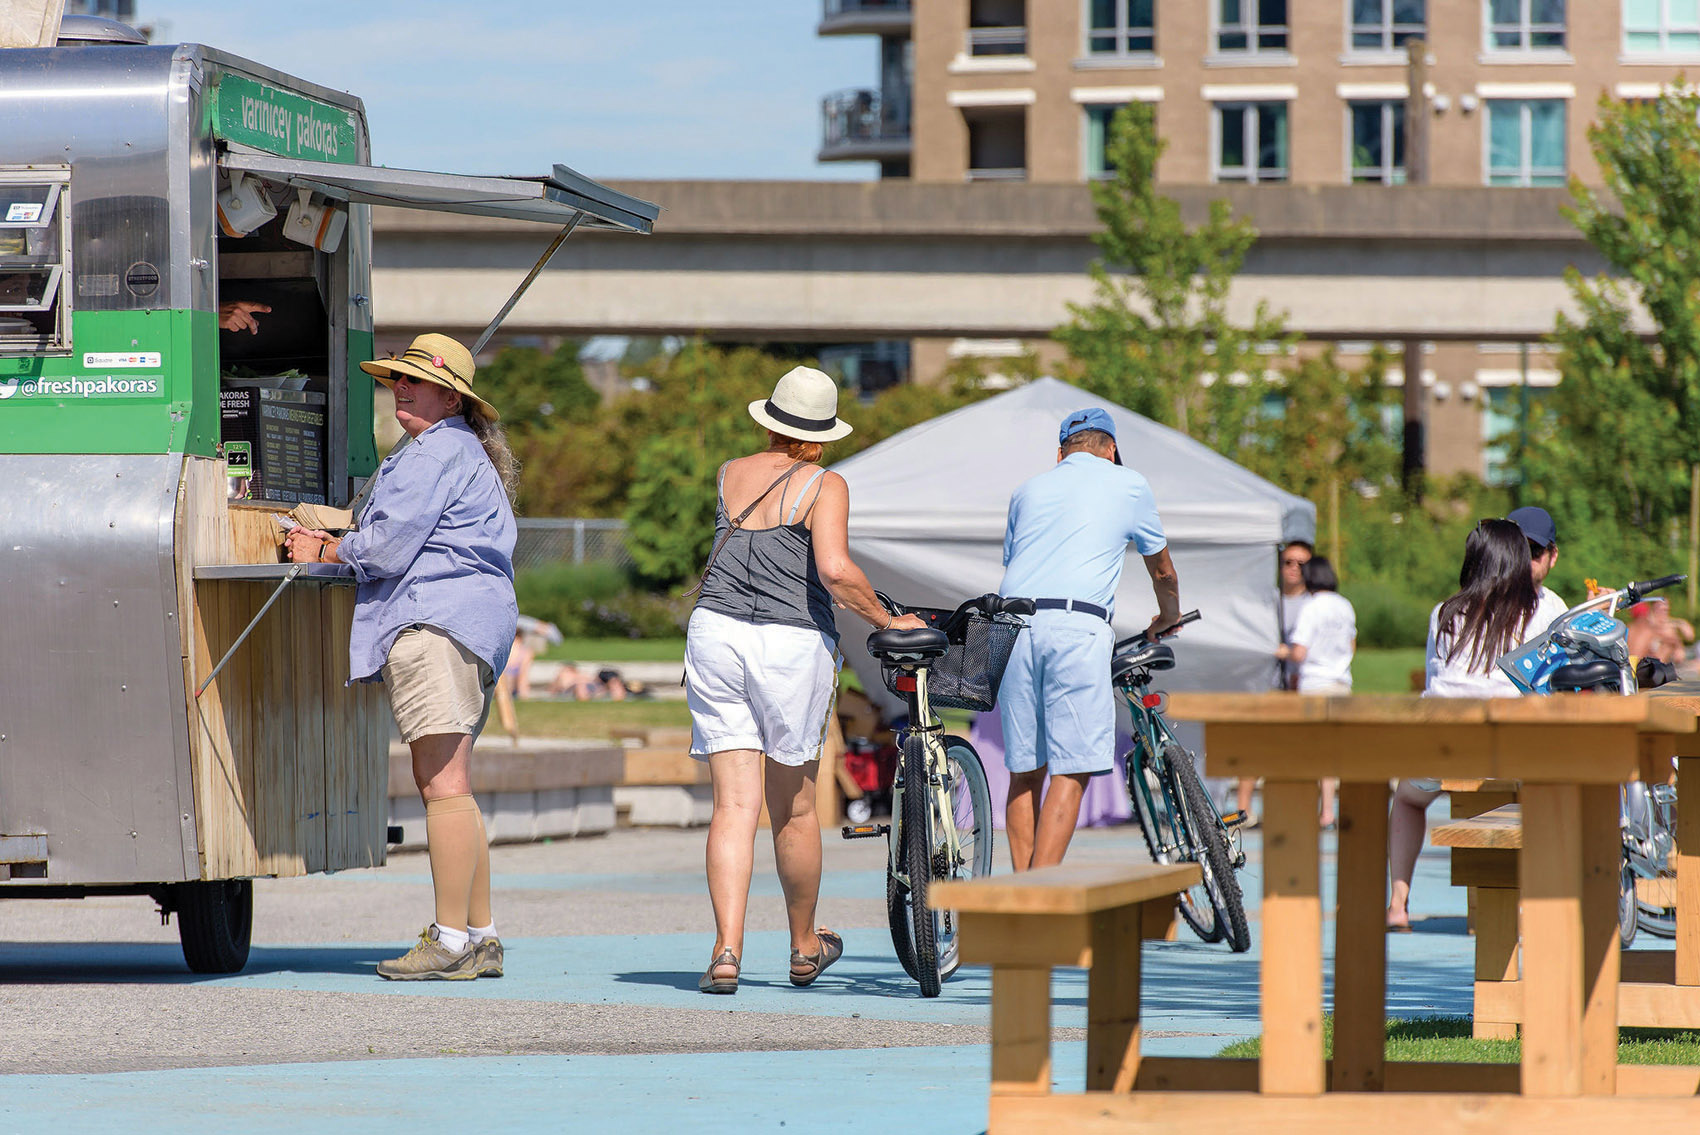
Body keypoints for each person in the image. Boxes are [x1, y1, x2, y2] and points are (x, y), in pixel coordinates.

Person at [285, 333, 518, 980]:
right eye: (397, 379)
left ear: (452, 399)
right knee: (456, 786)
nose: (401, 389)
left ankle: (449, 940)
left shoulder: (433, 451)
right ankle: (481, 936)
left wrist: (324, 550)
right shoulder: (461, 450)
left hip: (433, 623)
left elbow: (386, 548)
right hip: (472, 625)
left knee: (441, 787)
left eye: (417, 381)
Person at [684, 365, 923, 995]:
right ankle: (803, 946)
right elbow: (836, 570)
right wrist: (887, 619)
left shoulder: (729, 473)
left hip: (714, 632)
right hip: (788, 643)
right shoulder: (825, 484)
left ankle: (726, 952)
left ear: (770, 421)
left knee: (732, 806)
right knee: (792, 806)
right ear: (821, 436)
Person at [998, 407, 1180, 872]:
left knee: (1024, 770)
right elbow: (1162, 570)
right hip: (1076, 629)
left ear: (1061, 453)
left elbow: (1018, 563)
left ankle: (1021, 892)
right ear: (1111, 449)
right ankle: (1040, 894)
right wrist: (1168, 616)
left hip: (1013, 626)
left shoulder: (1027, 490)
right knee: (1072, 766)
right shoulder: (1130, 483)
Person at [1386, 519, 1539, 931]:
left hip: (1444, 747)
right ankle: (1529, 903)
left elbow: (1436, 684)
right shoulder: (1533, 616)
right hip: (1505, 753)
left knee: (1407, 800)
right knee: (1546, 789)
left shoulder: (1445, 613)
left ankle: (1398, 902)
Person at [1274, 555, 1354, 827]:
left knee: (1307, 752)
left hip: (1314, 685)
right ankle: (1327, 810)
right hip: (1341, 683)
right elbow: (1352, 644)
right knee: (1330, 754)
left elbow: (1299, 652)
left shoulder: (1311, 606)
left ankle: (1304, 808)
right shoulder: (1345, 606)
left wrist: (1280, 651)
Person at [1238, 539, 1313, 826]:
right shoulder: (1268, 601)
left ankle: (1292, 810)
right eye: (1288, 562)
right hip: (1266, 684)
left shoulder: (1314, 603)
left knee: (1296, 751)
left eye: (1301, 564)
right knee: (1255, 747)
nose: (1294, 569)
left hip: (1301, 685)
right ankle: (1243, 810)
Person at [1507, 505, 1567, 634]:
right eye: (1517, 550)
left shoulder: (1556, 606)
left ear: (1553, 556)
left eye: (1534, 550)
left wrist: (1590, 616)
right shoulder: (1482, 605)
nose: (1525, 558)